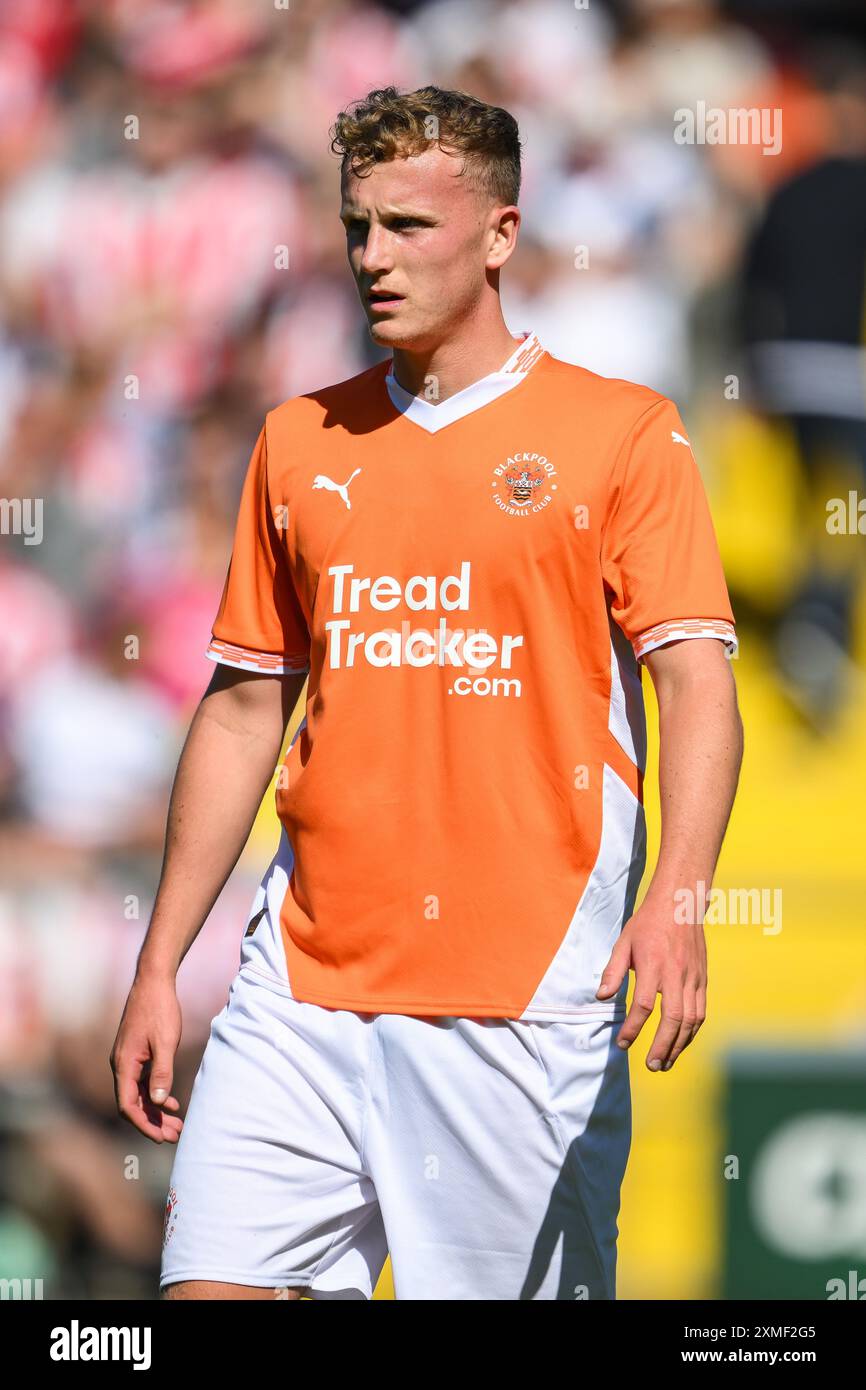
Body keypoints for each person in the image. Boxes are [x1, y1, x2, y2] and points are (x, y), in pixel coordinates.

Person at [111, 85, 744, 1301]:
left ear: (500, 234)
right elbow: (245, 709)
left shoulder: (621, 434)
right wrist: (159, 964)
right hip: (299, 988)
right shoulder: (297, 440)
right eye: (356, 226)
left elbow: (694, 687)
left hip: (517, 1001)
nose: (370, 258)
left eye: (407, 226)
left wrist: (679, 898)